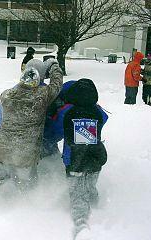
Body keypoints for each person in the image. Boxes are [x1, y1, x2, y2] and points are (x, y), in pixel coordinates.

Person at [0, 59, 63, 200]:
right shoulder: (42, 96)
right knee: (28, 190)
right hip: (25, 155)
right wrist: (55, 66)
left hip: (1, 151)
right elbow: (57, 84)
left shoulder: (6, 95)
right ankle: (21, 210)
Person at [60, 79, 108, 239]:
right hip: (95, 158)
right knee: (90, 186)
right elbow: (105, 117)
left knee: (77, 193)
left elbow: (56, 126)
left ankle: (81, 225)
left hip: (74, 160)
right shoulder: (98, 112)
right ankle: (97, 209)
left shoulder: (67, 111)